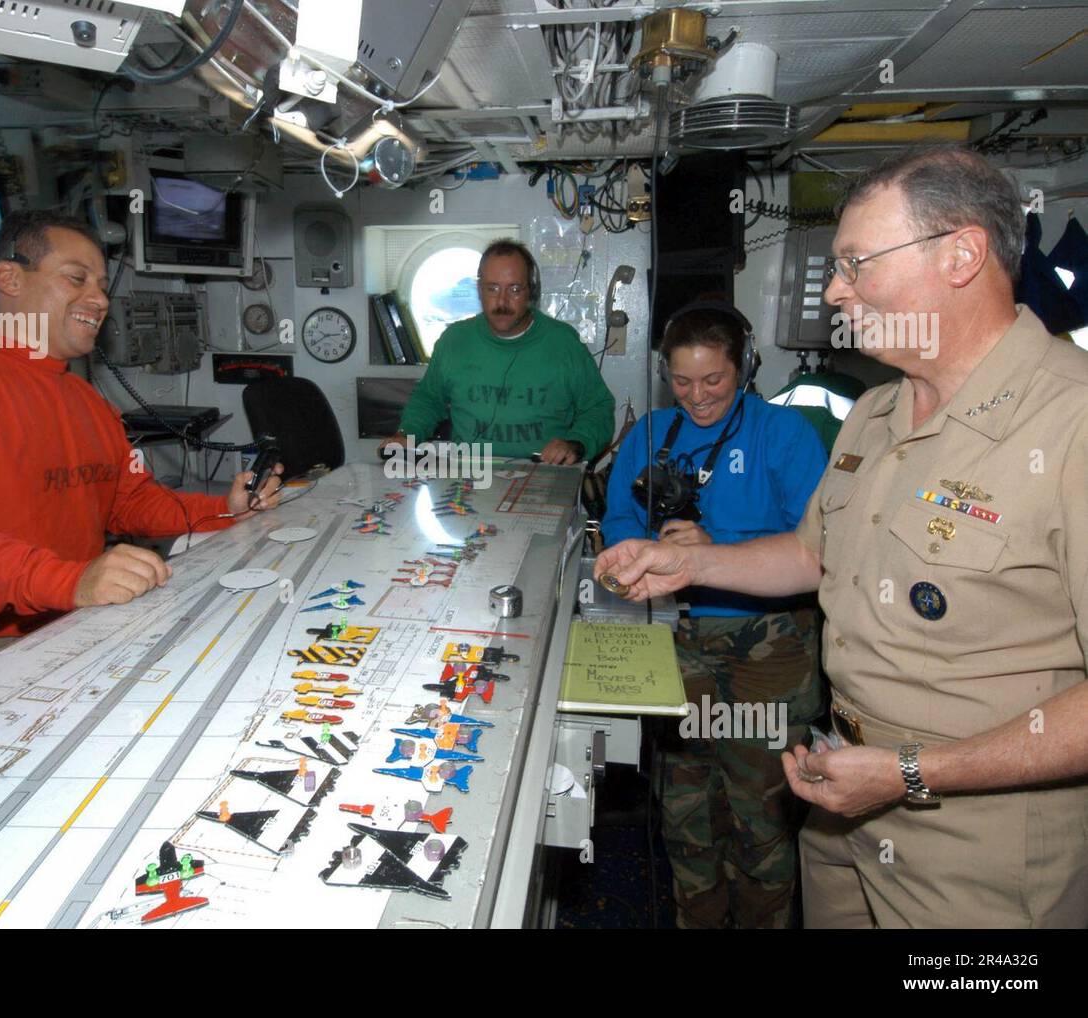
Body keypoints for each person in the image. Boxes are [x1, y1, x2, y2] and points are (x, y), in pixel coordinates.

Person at [596, 144, 1088, 928]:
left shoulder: (1072, 422)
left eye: (857, 264)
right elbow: (811, 555)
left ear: (962, 254)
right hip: (840, 792)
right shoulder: (877, 412)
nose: (834, 291)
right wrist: (684, 564)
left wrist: (909, 773)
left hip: (976, 835)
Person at [0, 210, 281, 701]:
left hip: (72, 623)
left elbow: (132, 503)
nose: (100, 299)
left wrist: (224, 511)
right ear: (10, 278)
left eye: (102, 285)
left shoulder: (85, 399)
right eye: (76, 279)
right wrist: (74, 580)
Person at [603, 301, 828, 928]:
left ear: (745, 368)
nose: (697, 396)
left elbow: (816, 542)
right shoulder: (650, 434)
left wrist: (715, 547)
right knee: (687, 809)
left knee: (760, 813)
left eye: (714, 380)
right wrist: (626, 560)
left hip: (770, 649)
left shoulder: (784, 435)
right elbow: (620, 518)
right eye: (681, 381)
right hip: (678, 641)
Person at [380, 239, 615, 464]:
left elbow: (598, 408)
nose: (501, 301)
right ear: (479, 290)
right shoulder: (454, 340)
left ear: (531, 292)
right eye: (492, 288)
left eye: (514, 289)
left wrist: (576, 443)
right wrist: (405, 435)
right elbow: (428, 400)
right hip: (470, 475)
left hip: (542, 472)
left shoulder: (564, 343)